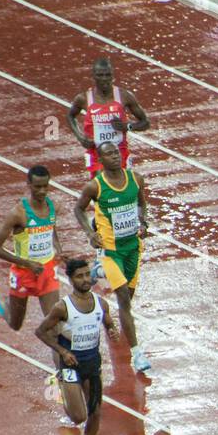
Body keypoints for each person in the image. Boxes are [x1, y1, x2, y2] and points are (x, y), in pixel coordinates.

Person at [74, 141, 152, 373]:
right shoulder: (95, 186)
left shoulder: (136, 179)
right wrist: (90, 234)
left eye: (116, 152)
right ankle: (138, 355)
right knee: (124, 301)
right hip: (111, 250)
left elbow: (141, 205)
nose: (115, 157)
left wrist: (143, 223)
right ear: (101, 160)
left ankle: (97, 278)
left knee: (128, 296)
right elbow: (78, 209)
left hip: (133, 248)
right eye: (108, 154)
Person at [35, 258, 120, 435]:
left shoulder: (101, 303)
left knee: (96, 412)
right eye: (79, 276)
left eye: (87, 274)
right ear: (71, 279)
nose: (85, 279)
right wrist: (63, 351)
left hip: (92, 364)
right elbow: (41, 331)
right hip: (71, 366)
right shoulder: (62, 307)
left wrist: (112, 330)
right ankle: (60, 383)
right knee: (78, 416)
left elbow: (108, 321)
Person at [0, 165, 64, 331]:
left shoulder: (53, 207)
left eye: (46, 186)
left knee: (55, 326)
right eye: (38, 187)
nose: (42, 191)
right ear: (28, 185)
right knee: (15, 324)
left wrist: (58, 249)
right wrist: (28, 263)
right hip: (24, 273)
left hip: (47, 271)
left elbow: (52, 229)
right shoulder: (18, 214)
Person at [67, 57, 150, 179]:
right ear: (93, 76)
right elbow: (70, 116)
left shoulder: (124, 96)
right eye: (100, 75)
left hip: (119, 153)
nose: (104, 79)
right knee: (101, 190)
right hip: (96, 154)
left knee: (122, 188)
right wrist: (80, 137)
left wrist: (127, 126)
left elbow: (145, 122)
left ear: (112, 76)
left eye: (108, 75)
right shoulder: (84, 98)